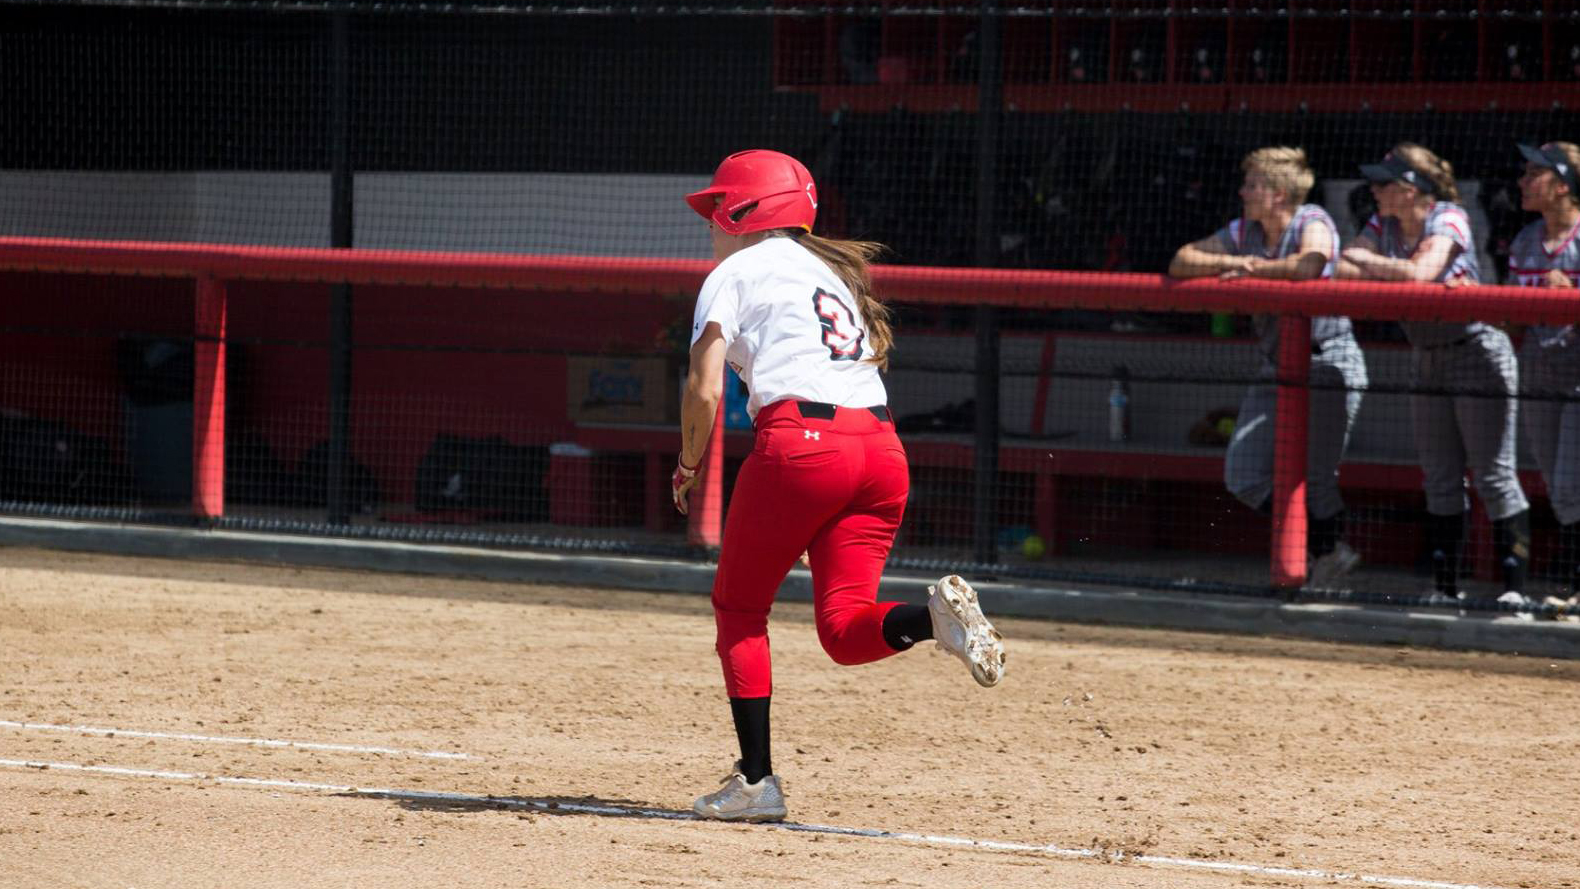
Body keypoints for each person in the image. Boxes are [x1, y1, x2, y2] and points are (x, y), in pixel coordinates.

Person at [672, 149, 1006, 823]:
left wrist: (688, 463)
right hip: (881, 450)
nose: (710, 224)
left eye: (717, 208)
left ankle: (756, 782)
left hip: (801, 445)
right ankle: (931, 620)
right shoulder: (831, 271)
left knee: (739, 611)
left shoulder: (734, 271)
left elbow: (704, 389)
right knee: (843, 629)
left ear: (746, 210)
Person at [1337, 143, 1531, 608]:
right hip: (1424, 355)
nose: (1375, 190)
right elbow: (1344, 265)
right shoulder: (1381, 223)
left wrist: (1380, 267)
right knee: (1440, 477)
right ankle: (1445, 588)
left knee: (1493, 475)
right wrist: (1392, 269)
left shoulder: (1448, 216)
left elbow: (1421, 273)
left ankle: (1515, 593)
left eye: (1384, 183)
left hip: (1476, 352)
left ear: (1411, 188)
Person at [1167, 147, 1368, 589]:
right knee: (1244, 474)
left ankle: (1323, 561)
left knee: (1316, 478)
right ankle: (1329, 551)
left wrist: (1258, 274)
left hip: (1329, 360)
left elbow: (1310, 264)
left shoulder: (1311, 219)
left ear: (1278, 194)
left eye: (1253, 185)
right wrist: (1232, 263)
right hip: (1276, 365)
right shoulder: (1245, 232)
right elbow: (1182, 259)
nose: (1243, 191)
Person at [1509, 141, 1580, 611]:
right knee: (1558, 485)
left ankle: (1574, 585)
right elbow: (1513, 318)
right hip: (1538, 370)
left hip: (1578, 375)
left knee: (1572, 482)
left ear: (1561, 185)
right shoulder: (1525, 240)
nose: (1522, 180)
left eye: (1534, 173)